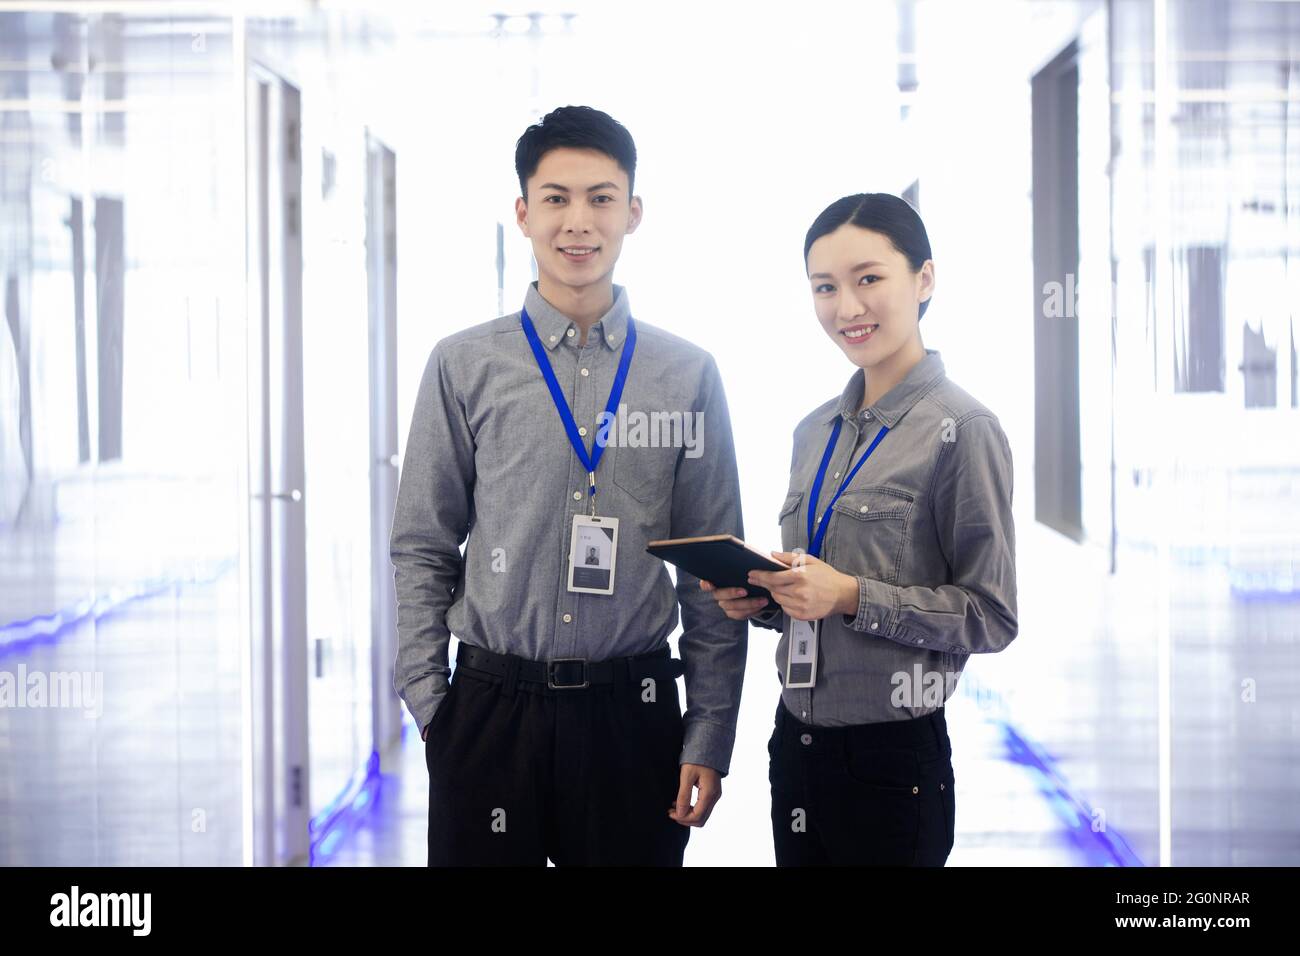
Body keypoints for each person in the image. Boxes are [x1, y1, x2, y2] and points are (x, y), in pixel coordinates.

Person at [391, 105, 747, 866]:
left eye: (601, 197)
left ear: (633, 212)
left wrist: (710, 732)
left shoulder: (686, 374)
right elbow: (422, 544)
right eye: (555, 198)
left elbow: (714, 572)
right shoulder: (464, 365)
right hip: (489, 712)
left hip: (634, 712)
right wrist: (434, 708)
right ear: (523, 213)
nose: (578, 222)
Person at [701, 193, 1018, 866]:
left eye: (868, 279)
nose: (846, 307)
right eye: (825, 287)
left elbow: (991, 617)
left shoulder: (963, 430)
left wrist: (849, 596)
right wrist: (764, 596)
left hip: (892, 762)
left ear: (924, 279)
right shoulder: (813, 432)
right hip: (796, 748)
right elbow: (815, 591)